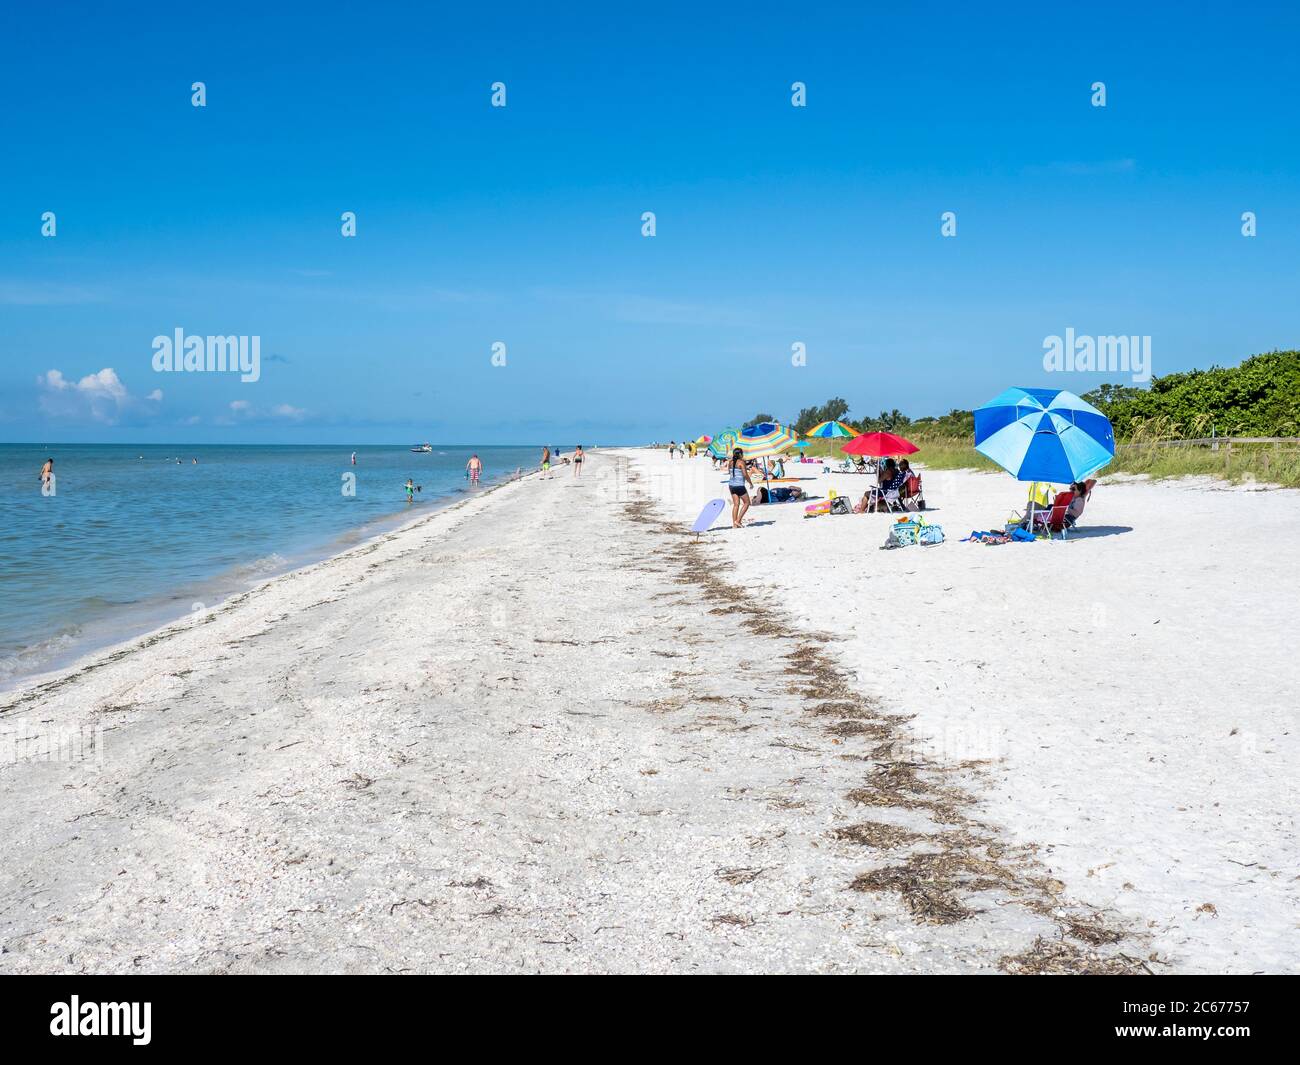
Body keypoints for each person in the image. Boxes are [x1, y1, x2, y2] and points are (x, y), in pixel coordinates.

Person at [726, 447, 754, 527]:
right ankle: (738, 521)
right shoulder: (741, 462)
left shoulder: (730, 462)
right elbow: (745, 475)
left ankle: (734, 524)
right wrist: (750, 483)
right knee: (747, 503)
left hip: (731, 485)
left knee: (736, 505)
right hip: (739, 485)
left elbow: (730, 472)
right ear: (741, 454)